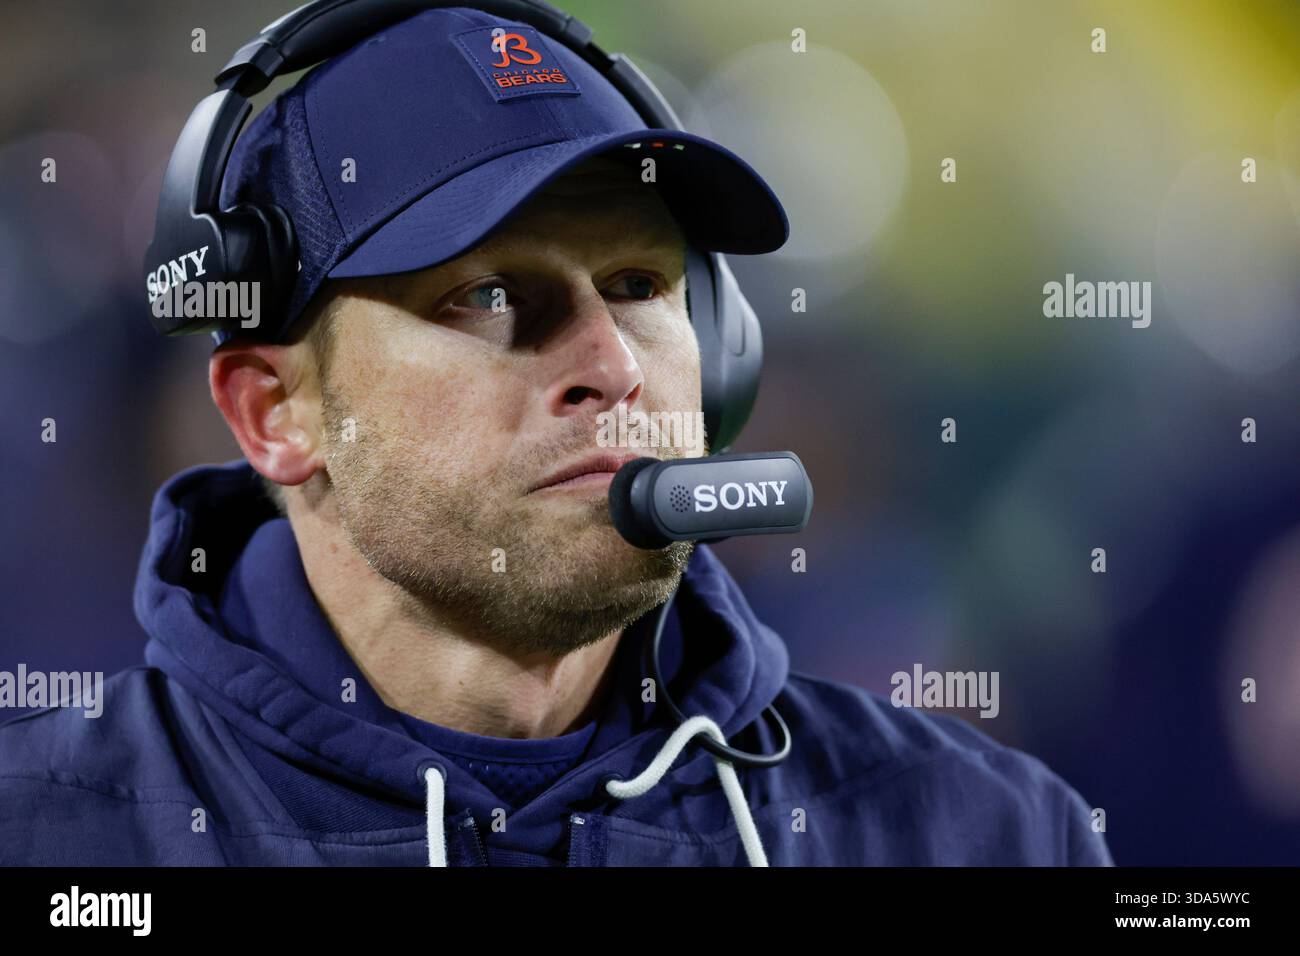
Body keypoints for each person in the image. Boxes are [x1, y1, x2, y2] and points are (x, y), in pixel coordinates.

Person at [0, 5, 1113, 867]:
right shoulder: (47, 830)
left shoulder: (986, 831)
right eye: (488, 296)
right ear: (273, 414)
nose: (614, 366)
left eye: (638, 284)